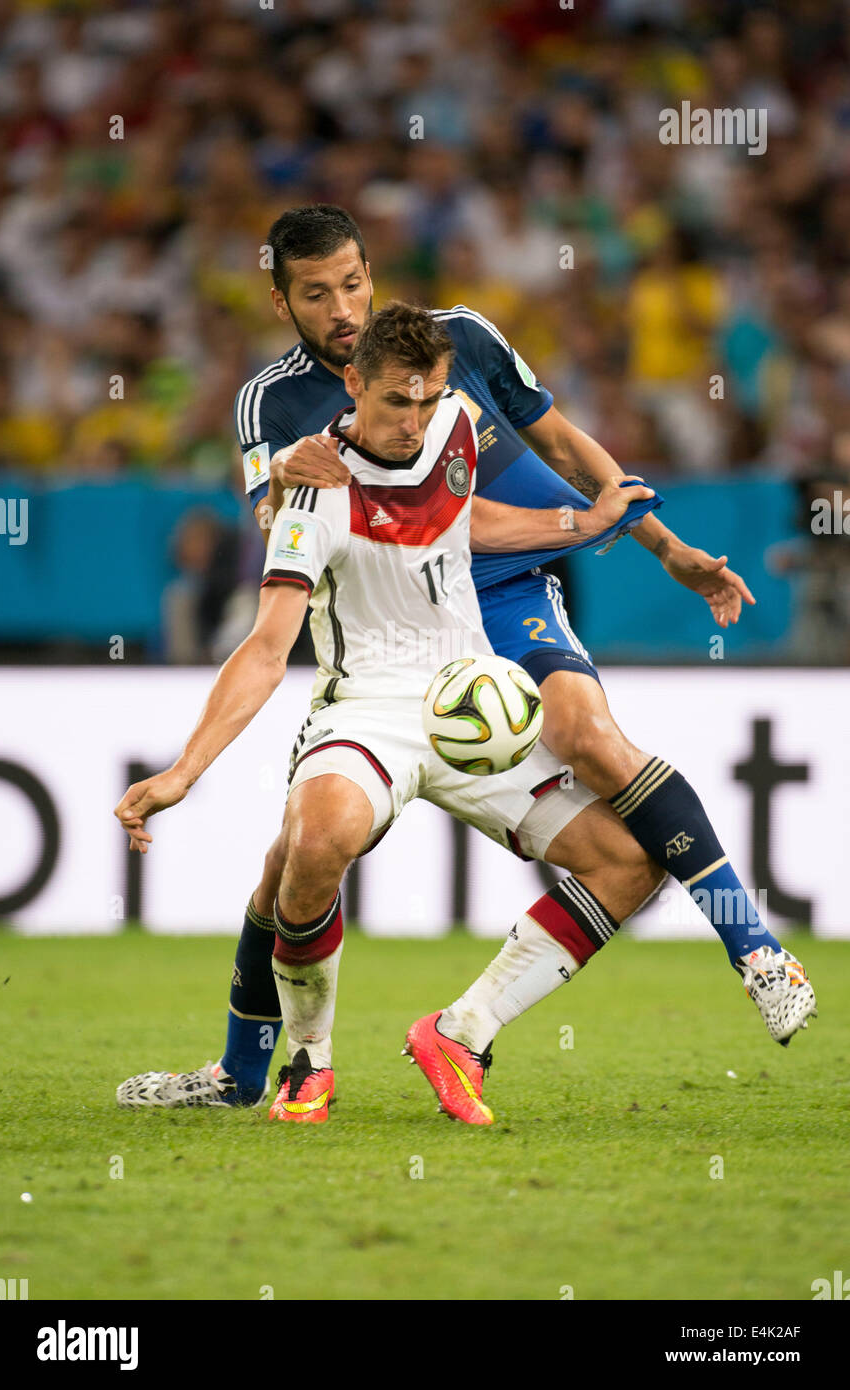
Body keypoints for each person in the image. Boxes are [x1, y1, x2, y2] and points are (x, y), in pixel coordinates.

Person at [115, 207, 816, 1115]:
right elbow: (280, 550)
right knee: (293, 861)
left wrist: (663, 546)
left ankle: (750, 947)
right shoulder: (276, 411)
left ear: (373, 272)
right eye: (316, 293)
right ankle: (248, 1072)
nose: (341, 308)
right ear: (280, 298)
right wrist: (291, 473)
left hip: (504, 583)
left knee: (585, 733)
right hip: (379, 626)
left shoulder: (455, 351)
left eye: (353, 283)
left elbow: (558, 452)